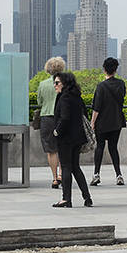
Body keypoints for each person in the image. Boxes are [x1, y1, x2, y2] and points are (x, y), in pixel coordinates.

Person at [51, 71, 92, 208]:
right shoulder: (76, 96)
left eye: (57, 83)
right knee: (75, 167)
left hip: (65, 138)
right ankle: (87, 197)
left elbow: (65, 118)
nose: (55, 85)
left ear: (64, 83)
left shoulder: (64, 98)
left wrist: (57, 131)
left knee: (66, 167)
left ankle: (66, 199)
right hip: (77, 138)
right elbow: (84, 114)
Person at [90, 56, 126, 186]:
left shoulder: (101, 86)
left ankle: (96, 175)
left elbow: (96, 108)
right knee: (113, 148)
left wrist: (92, 122)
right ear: (115, 69)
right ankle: (119, 175)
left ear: (104, 69)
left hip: (102, 122)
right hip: (117, 121)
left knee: (100, 147)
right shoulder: (121, 84)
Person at [37, 56, 64, 189]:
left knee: (51, 150)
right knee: (63, 147)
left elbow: (39, 102)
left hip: (47, 118)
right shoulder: (64, 83)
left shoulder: (42, 84)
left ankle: (54, 178)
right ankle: (61, 174)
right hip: (62, 118)